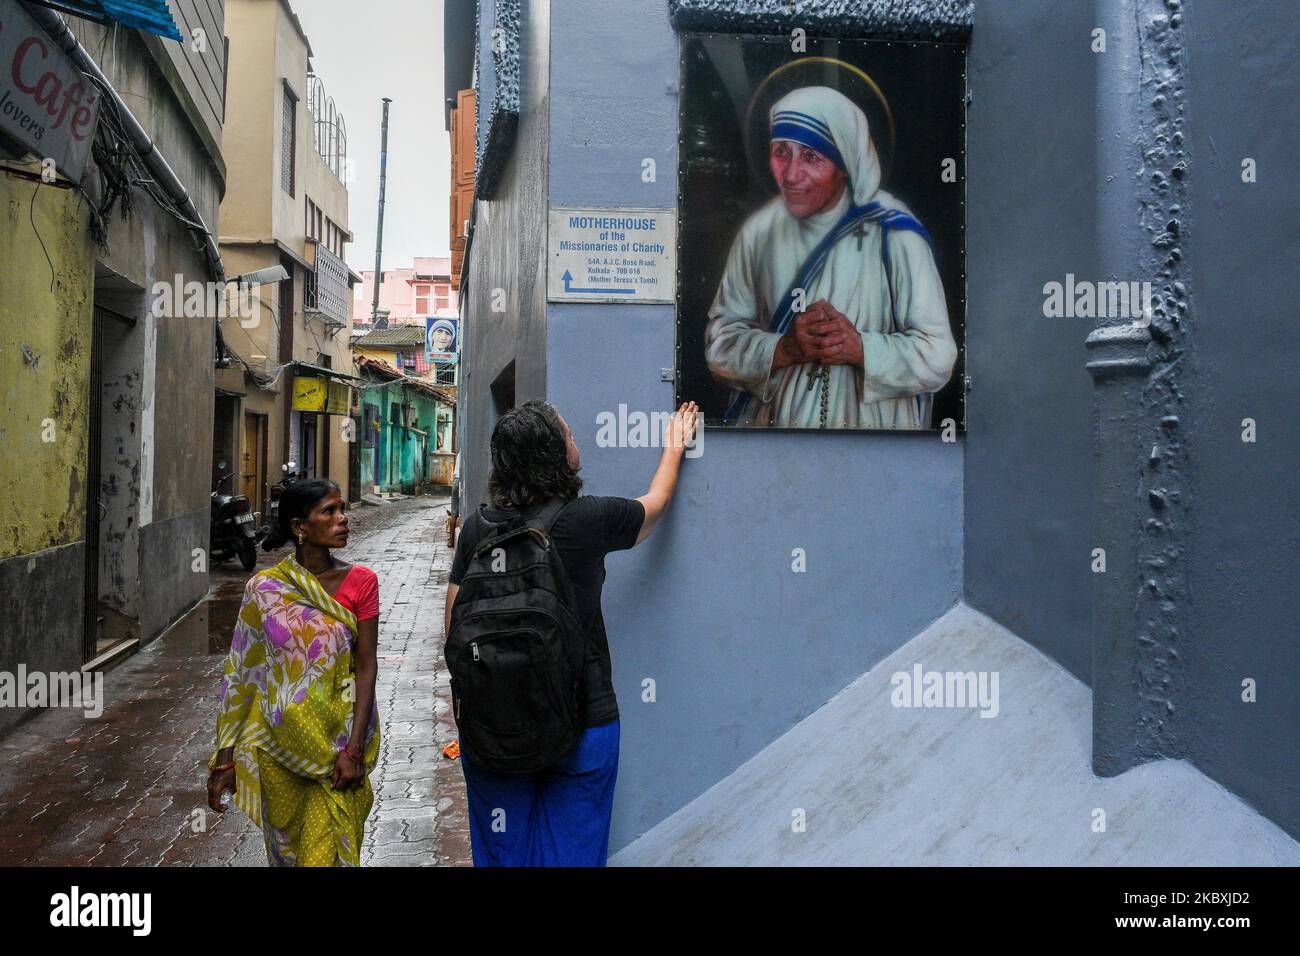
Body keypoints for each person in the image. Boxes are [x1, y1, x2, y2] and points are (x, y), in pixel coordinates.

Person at [444, 398, 698, 866]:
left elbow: (454, 626)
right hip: (583, 720)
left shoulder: (478, 528)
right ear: (556, 454)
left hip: (493, 727)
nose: (576, 441)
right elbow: (655, 506)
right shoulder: (587, 520)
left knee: (504, 856)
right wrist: (674, 447)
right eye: (569, 435)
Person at [705, 85, 958, 429]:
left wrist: (860, 348)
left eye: (811, 156)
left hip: (875, 447)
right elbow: (721, 346)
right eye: (781, 152)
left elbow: (939, 356)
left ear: (844, 163)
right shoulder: (758, 234)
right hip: (778, 441)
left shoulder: (894, 232)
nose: (791, 174)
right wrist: (785, 348)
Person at [206, 479, 381, 866]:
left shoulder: (362, 583)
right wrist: (224, 759)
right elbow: (241, 674)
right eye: (330, 512)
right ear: (301, 527)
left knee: (326, 855)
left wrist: (353, 749)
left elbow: (366, 666)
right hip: (279, 750)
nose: (343, 519)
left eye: (342, 509)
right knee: (286, 855)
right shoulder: (265, 590)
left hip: (339, 750)